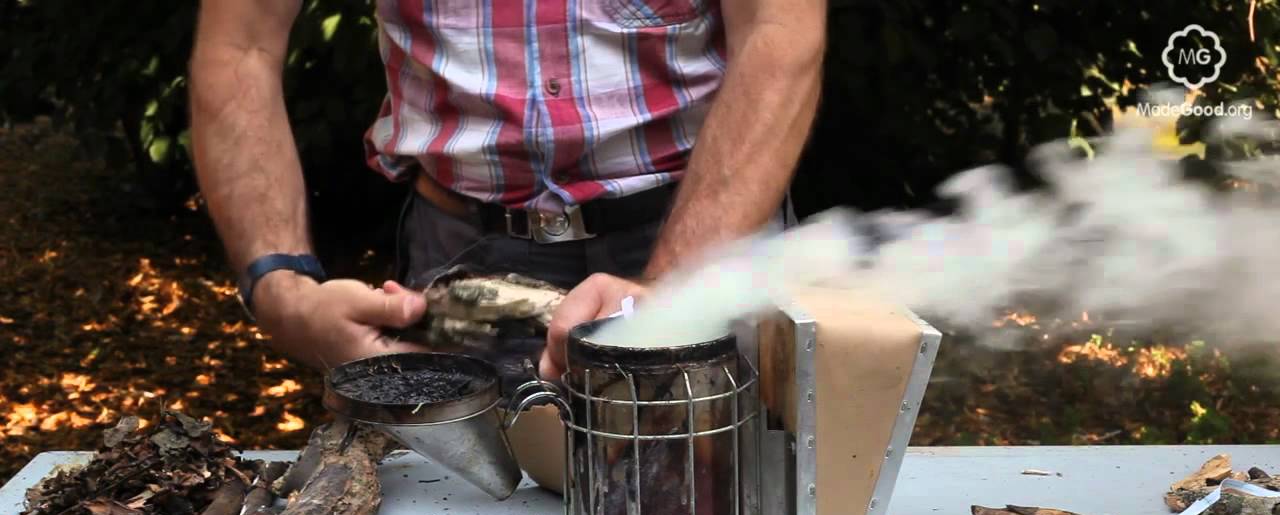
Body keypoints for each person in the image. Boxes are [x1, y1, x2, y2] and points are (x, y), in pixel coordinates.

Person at [190, 0, 825, 382]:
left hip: (711, 242)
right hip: (464, 264)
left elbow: (781, 34)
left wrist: (670, 287)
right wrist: (280, 288)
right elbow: (239, 47)